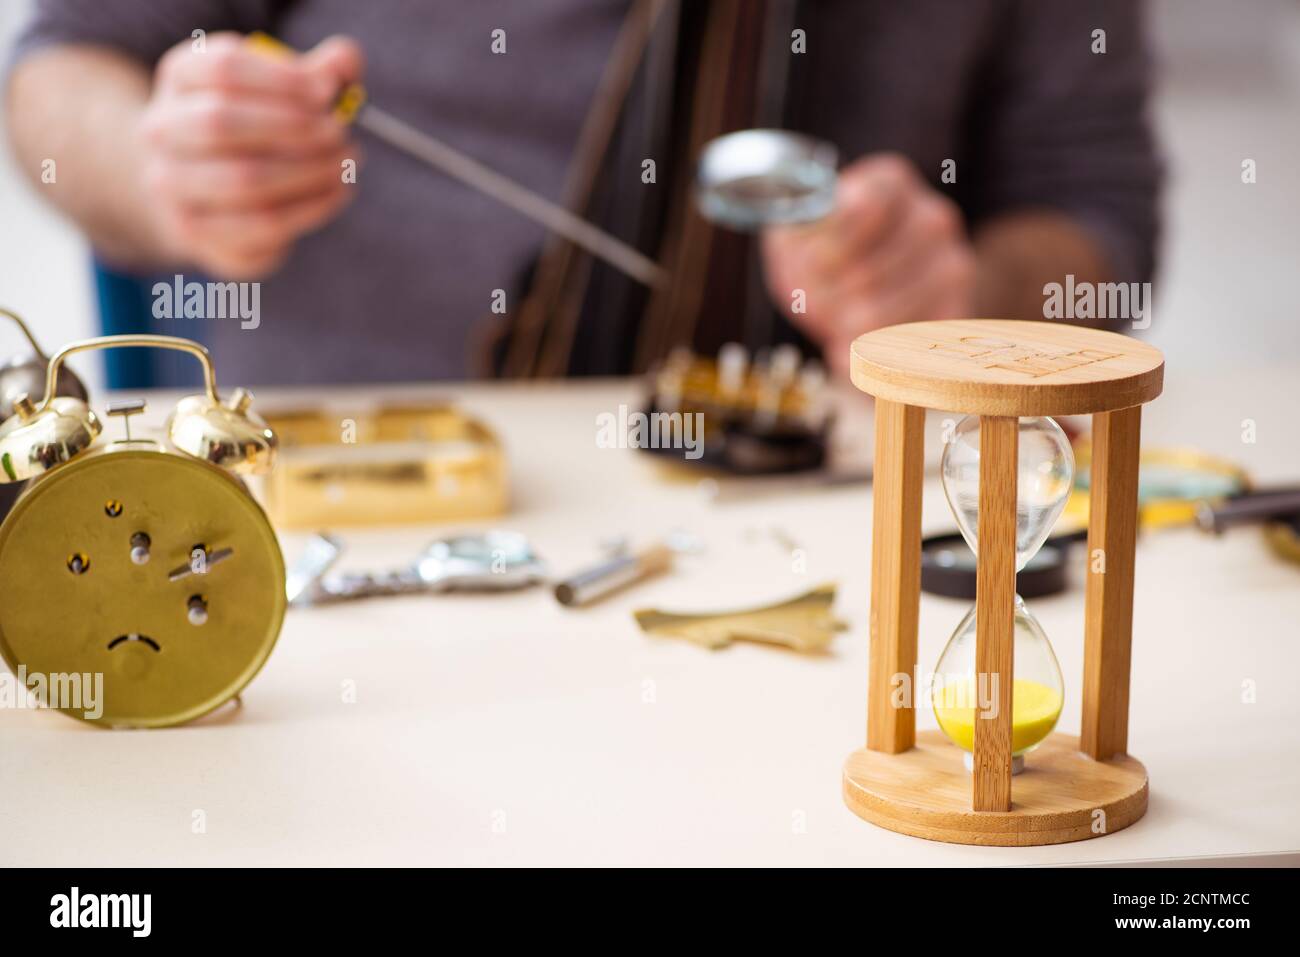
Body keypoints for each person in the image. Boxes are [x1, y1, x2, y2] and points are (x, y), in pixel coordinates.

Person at [4, 1, 1160, 386]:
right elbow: (59, 67)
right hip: (360, 501)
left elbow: (1096, 211)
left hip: (828, 515)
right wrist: (165, 166)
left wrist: (967, 301)